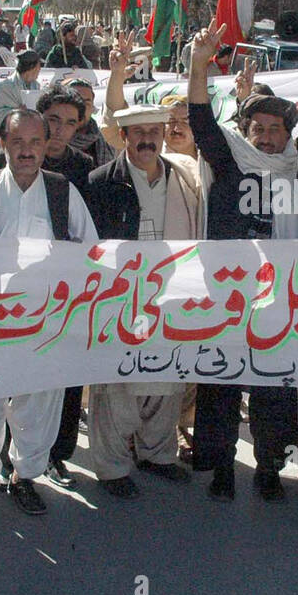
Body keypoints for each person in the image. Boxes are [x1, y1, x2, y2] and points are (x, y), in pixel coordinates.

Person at [186, 16, 298, 503]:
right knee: (222, 382)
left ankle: (269, 467)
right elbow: (202, 123)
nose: (266, 138)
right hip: (229, 294)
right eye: (258, 129)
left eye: (275, 130)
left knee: (276, 386)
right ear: (244, 131)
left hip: (284, 297)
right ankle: (222, 468)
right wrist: (197, 69)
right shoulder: (230, 163)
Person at [0, 109, 96, 515]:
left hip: (44, 324)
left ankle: (25, 477)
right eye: (17, 142)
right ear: (2, 144)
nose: (26, 151)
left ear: (45, 146)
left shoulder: (61, 192)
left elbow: (90, 250)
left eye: (35, 143)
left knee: (37, 407)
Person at [83, 104, 202, 498]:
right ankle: (113, 466)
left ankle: (157, 454)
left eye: (155, 130)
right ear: (126, 136)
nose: (148, 139)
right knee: (116, 386)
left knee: (165, 380)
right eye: (139, 133)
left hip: (170, 295)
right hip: (120, 299)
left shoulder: (183, 178)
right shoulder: (101, 182)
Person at [0, 49, 43, 151]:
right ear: (31, 68)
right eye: (39, 67)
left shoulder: (36, 85)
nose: (39, 70)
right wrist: (15, 113)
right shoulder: (7, 86)